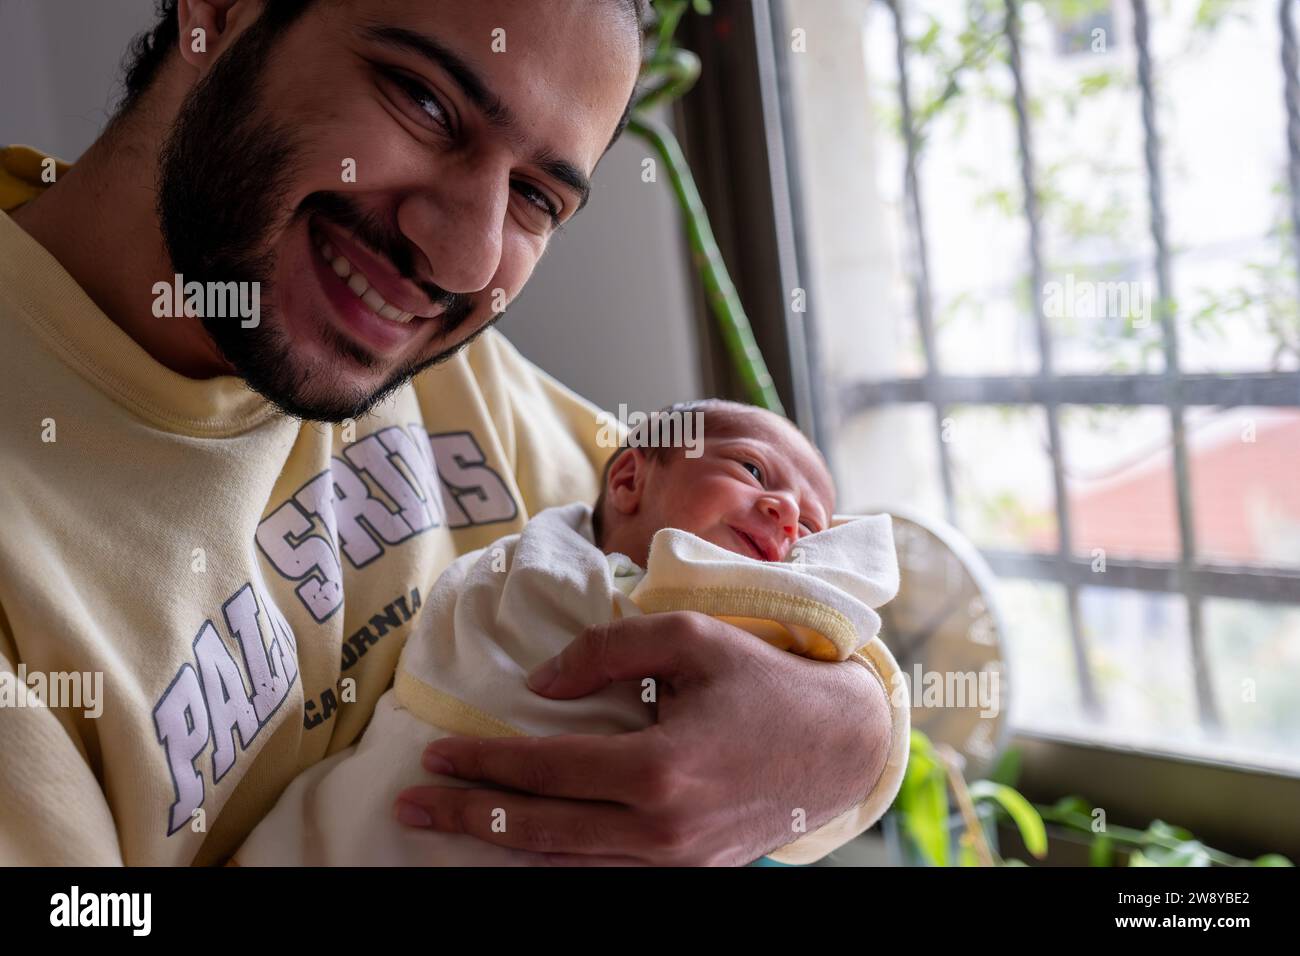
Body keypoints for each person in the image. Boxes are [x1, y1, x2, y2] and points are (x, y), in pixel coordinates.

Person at [0, 0, 896, 866]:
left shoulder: (426, 359)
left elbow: (745, 576)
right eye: (426, 102)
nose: (465, 258)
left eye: (535, 197)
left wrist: (856, 728)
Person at [233, 400, 909, 865]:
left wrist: (859, 710)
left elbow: (820, 701)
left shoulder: (761, 633)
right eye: (753, 470)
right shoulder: (542, 571)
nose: (785, 512)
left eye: (810, 529)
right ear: (629, 479)